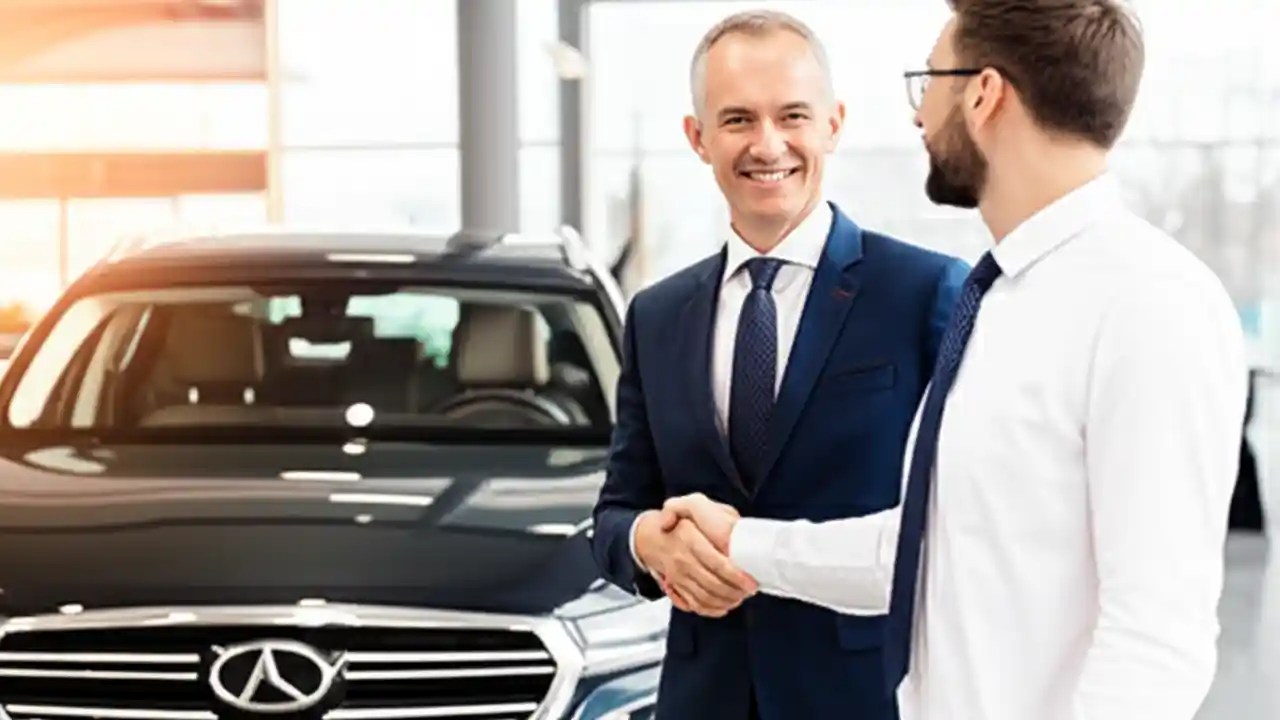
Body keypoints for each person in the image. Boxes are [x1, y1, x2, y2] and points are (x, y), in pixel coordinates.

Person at [662, 1, 1249, 719]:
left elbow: (1158, 641)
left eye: (929, 80)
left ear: (983, 93)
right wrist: (743, 542)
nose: (918, 117)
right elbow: (927, 550)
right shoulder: (999, 297)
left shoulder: (1150, 302)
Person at [589, 10, 969, 720]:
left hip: (865, 698)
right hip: (703, 700)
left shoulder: (924, 293)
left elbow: (957, 523)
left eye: (792, 115)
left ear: (834, 123)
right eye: (737, 120)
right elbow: (614, 511)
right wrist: (646, 542)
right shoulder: (657, 315)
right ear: (697, 138)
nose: (768, 145)